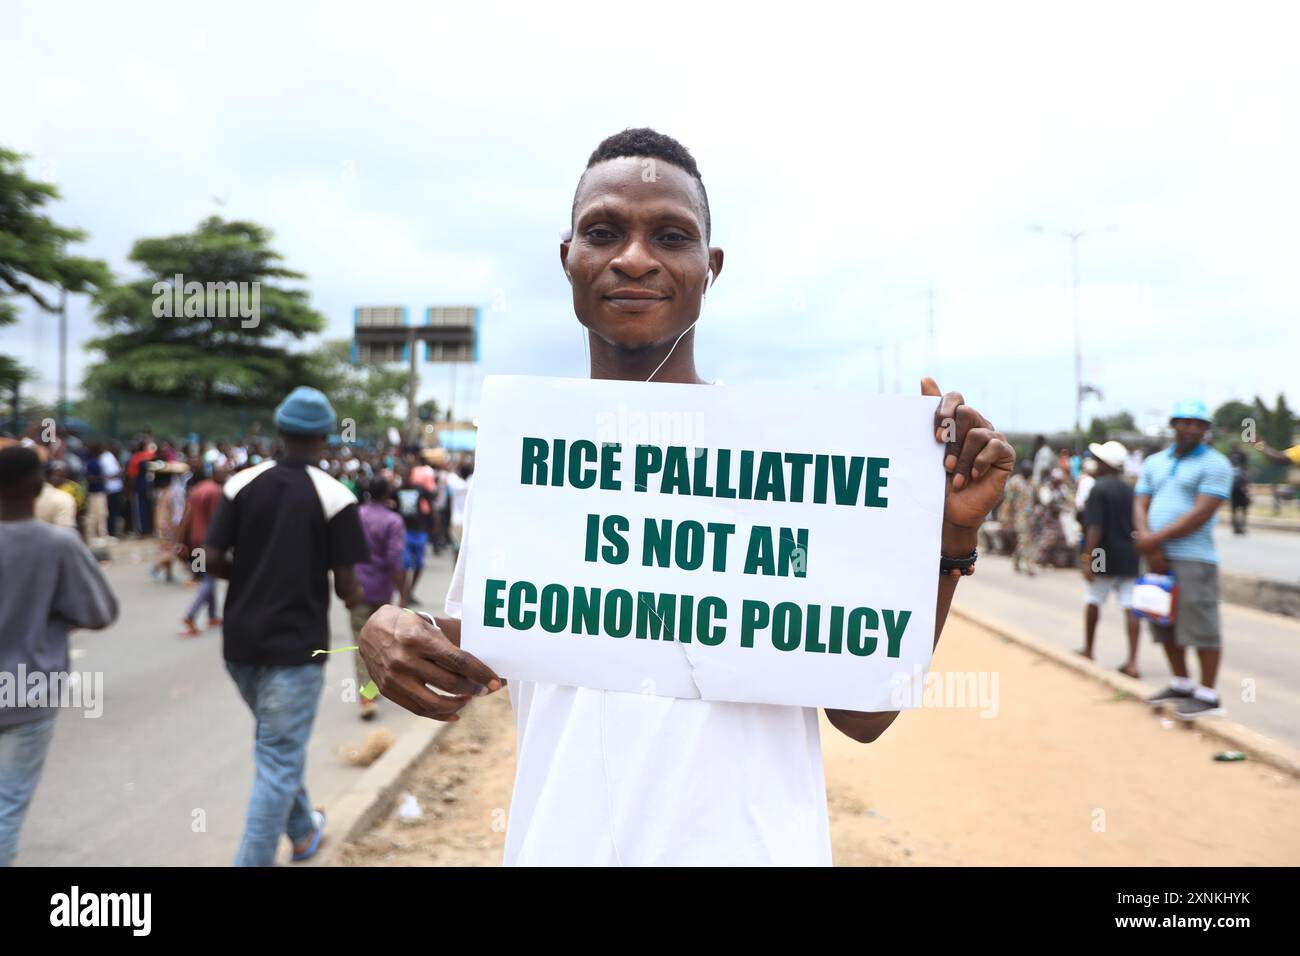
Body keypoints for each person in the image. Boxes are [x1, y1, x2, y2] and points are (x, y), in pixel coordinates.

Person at [357, 128, 1014, 866]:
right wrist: (385, 635)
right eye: (604, 232)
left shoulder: (800, 466)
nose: (634, 258)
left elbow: (864, 714)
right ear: (568, 257)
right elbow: (488, 645)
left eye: (671, 236)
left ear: (711, 267)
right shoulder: (521, 465)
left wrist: (949, 541)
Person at [205, 387, 369, 865]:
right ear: (324, 438)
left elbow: (212, 559)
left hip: (239, 647)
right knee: (278, 756)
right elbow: (347, 588)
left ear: (279, 432)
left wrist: (254, 574)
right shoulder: (335, 495)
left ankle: (302, 830)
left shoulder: (240, 484)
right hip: (295, 650)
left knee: (276, 744)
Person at [0, 445, 118, 866]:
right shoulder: (57, 544)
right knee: (7, 806)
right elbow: (101, 611)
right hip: (28, 694)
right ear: (37, 484)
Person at [1134, 399, 1233, 720]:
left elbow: (1202, 512)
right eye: (1184, 421)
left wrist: (1153, 540)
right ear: (1173, 424)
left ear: (1206, 429)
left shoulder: (1216, 464)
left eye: (1198, 423)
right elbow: (1140, 502)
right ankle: (1181, 683)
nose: (1190, 427)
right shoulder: (1155, 462)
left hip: (1193, 557)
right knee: (1164, 621)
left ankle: (1208, 693)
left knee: (1200, 623)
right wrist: (1148, 543)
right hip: (1157, 556)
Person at [1078, 441, 1140, 677]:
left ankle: (1089, 649)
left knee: (1093, 599)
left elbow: (1095, 527)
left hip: (1104, 554)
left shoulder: (1098, 488)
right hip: (1129, 555)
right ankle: (1133, 662)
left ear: (1106, 464)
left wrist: (1088, 558)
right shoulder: (1129, 489)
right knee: (1129, 606)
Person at [350, 477, 406, 719]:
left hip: (357, 588)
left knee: (359, 644)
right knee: (382, 644)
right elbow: (396, 561)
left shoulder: (356, 515)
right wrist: (403, 593)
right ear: (388, 494)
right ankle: (374, 689)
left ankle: (367, 695)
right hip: (382, 592)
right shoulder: (393, 521)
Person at [178, 464, 227, 636]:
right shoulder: (216, 492)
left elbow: (187, 516)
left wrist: (181, 540)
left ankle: (213, 616)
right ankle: (190, 615)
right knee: (209, 579)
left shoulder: (198, 489)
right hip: (208, 543)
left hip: (195, 541)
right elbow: (216, 519)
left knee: (204, 576)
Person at [1228, 448, 1250, 534]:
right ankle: (1241, 525)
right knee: (1242, 509)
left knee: (1234, 510)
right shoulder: (1242, 470)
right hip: (1240, 491)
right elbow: (1246, 482)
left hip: (1234, 492)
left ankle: (1236, 526)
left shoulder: (1230, 469)